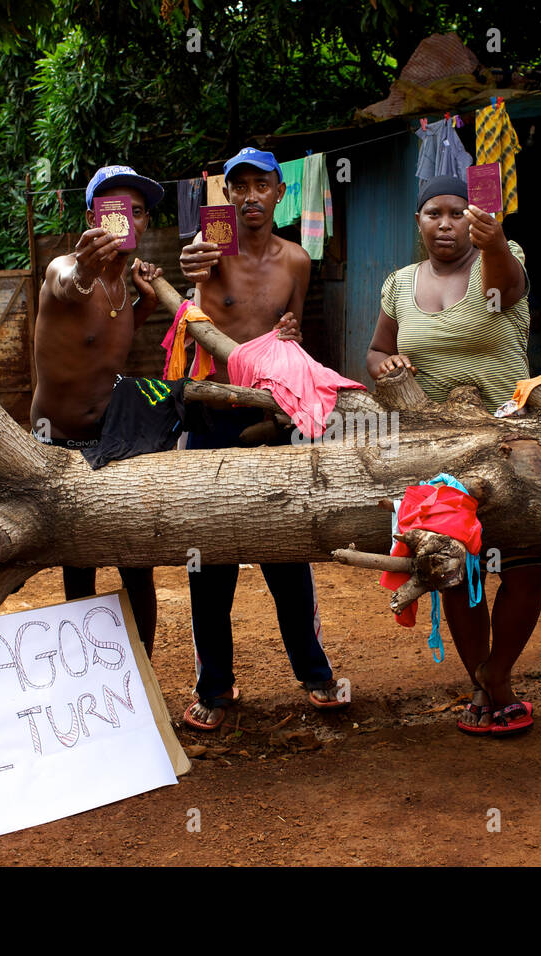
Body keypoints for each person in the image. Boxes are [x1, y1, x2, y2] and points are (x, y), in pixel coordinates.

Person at [365, 174, 541, 738]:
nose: (446, 223)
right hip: (439, 452)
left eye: (457, 213)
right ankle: (480, 684)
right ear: (418, 222)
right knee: (455, 565)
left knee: (529, 564)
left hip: (512, 439)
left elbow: (504, 292)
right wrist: (384, 367)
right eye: (434, 213)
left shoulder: (503, 256)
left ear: (475, 218)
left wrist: (492, 243)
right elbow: (376, 350)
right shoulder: (398, 284)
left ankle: (500, 674)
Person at [177, 146, 347, 730]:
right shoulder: (209, 255)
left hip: (271, 419)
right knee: (209, 558)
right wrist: (192, 267)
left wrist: (291, 334)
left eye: (261, 185)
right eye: (238, 186)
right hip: (211, 412)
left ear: (280, 193)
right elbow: (193, 306)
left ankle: (316, 673)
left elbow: (292, 343)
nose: (250, 196)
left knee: (286, 551)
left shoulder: (297, 261)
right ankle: (215, 687)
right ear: (227, 196)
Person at [31, 164, 166, 654]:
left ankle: (142, 673)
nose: (127, 220)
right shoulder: (63, 270)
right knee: (80, 564)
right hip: (59, 442)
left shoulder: (125, 289)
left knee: (137, 558)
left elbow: (105, 349)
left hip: (111, 439)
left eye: (138, 212)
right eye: (115, 211)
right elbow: (69, 285)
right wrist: (85, 269)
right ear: (92, 216)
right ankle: (83, 673)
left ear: (146, 224)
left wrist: (145, 307)